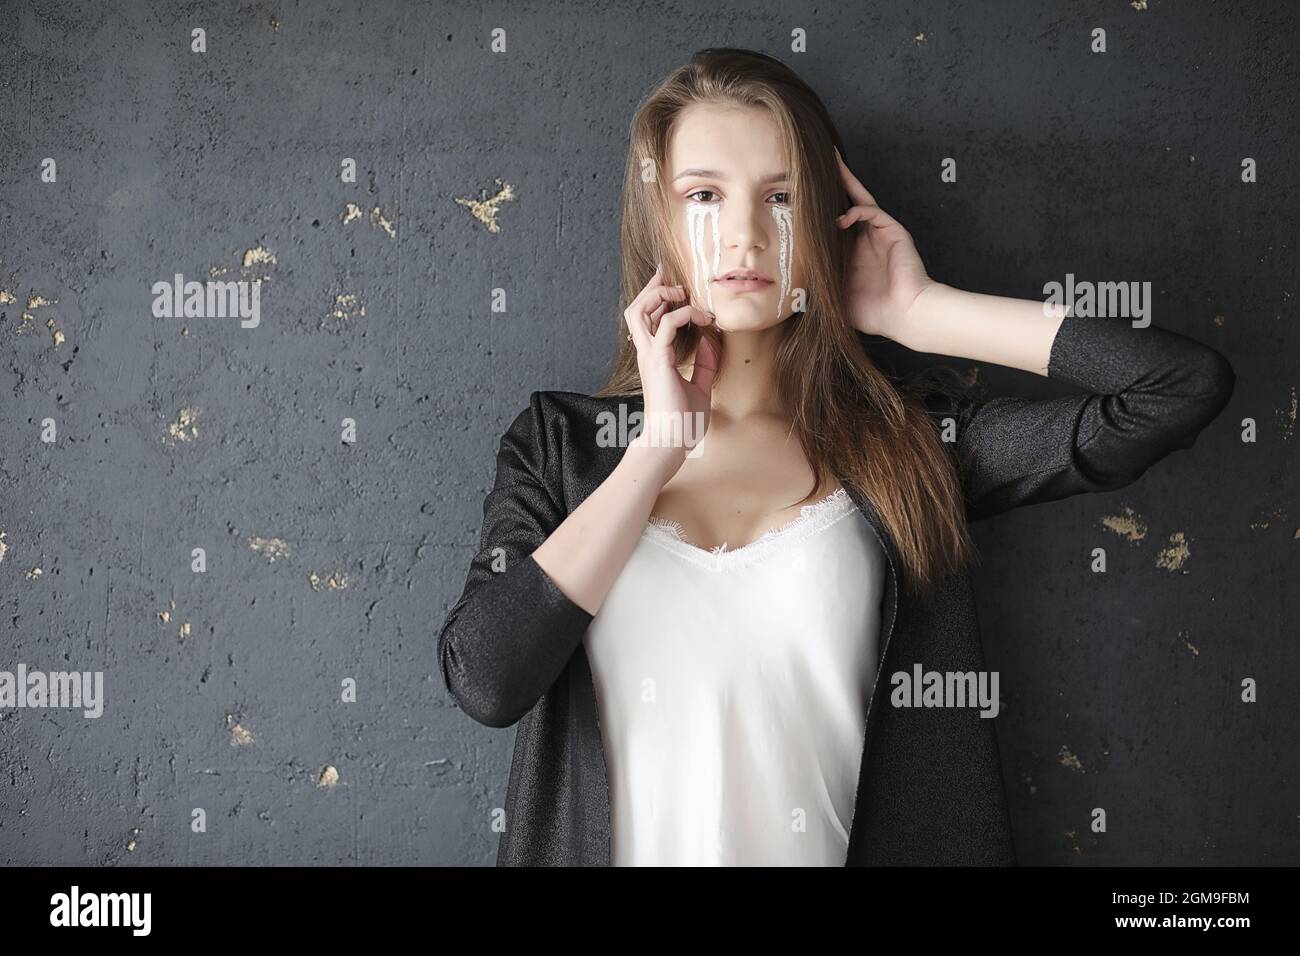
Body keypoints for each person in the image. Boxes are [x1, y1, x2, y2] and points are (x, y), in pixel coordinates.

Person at [436, 48, 1235, 866]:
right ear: (660, 223)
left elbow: (1175, 387)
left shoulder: (912, 443)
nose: (744, 233)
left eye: (780, 197)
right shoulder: (560, 446)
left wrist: (925, 313)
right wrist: (655, 453)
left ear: (822, 218)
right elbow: (487, 681)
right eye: (704, 195)